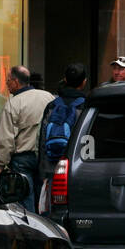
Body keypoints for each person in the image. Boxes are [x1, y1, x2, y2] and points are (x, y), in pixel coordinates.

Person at [0, 65, 55, 209]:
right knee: (44, 198)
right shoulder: (48, 97)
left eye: (8, 81)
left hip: (22, 159)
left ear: (15, 81)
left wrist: (1, 164)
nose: (6, 85)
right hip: (45, 156)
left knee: (26, 199)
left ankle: (30, 228)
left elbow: (6, 139)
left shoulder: (13, 104)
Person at [38, 63, 89, 210]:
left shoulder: (52, 106)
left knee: (53, 212)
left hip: (52, 168)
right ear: (84, 82)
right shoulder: (85, 106)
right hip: (76, 169)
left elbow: (42, 139)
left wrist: (43, 172)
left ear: (65, 79)